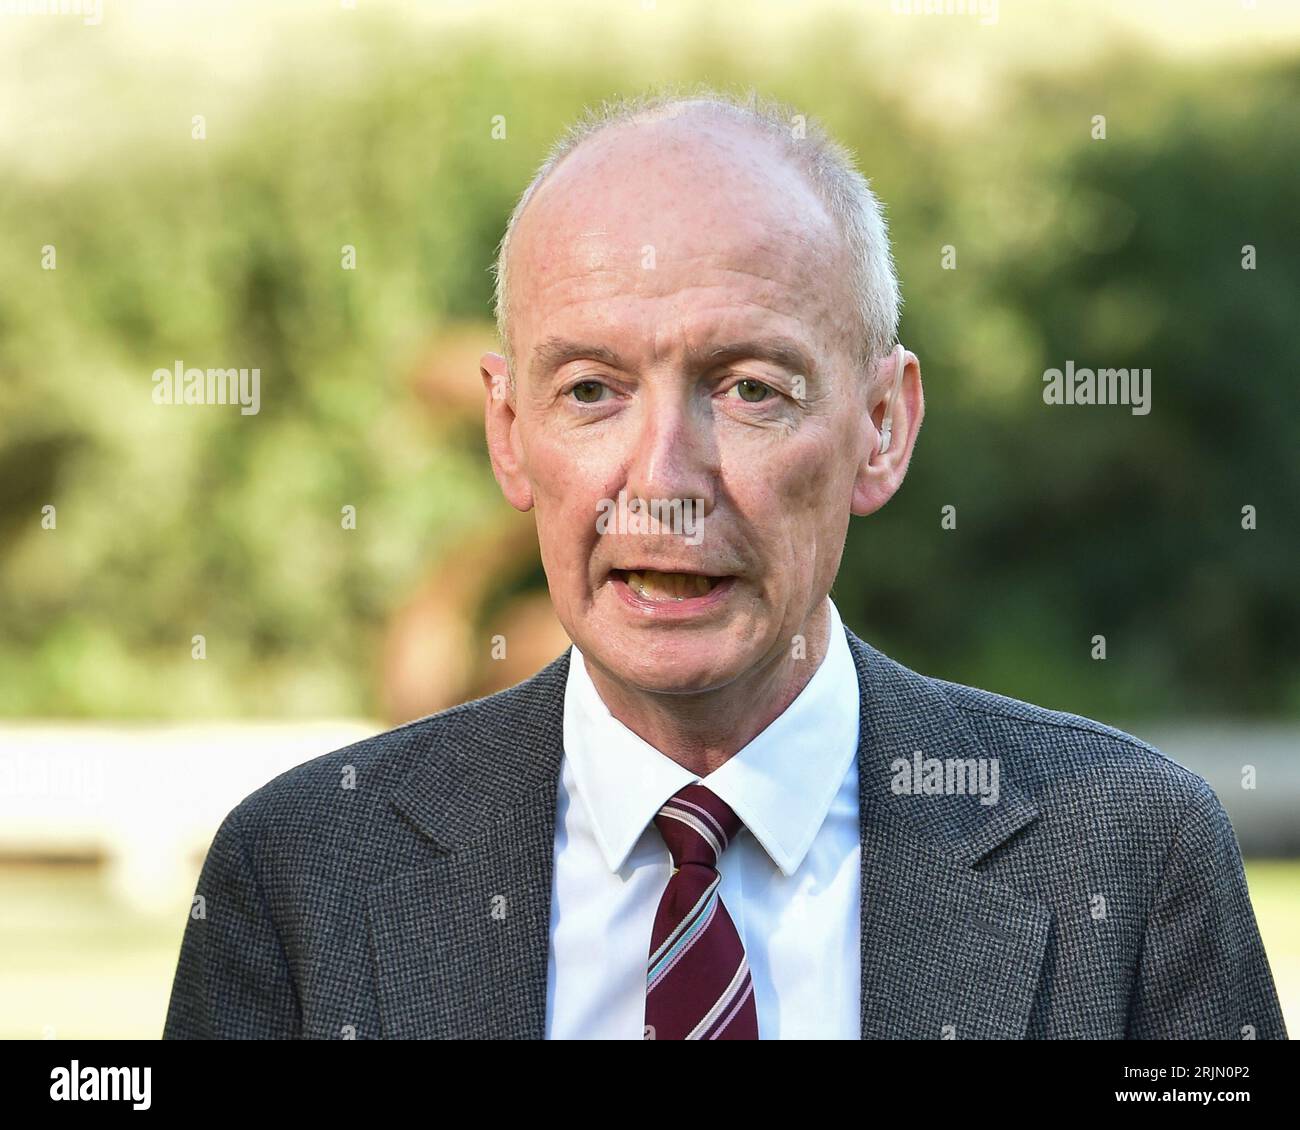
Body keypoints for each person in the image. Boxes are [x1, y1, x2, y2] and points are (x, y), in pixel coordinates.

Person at [163, 88, 1287, 1040]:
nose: (662, 477)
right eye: (591, 390)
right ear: (509, 434)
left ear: (883, 426)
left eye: (750, 387)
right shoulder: (299, 874)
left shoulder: (1131, 862)